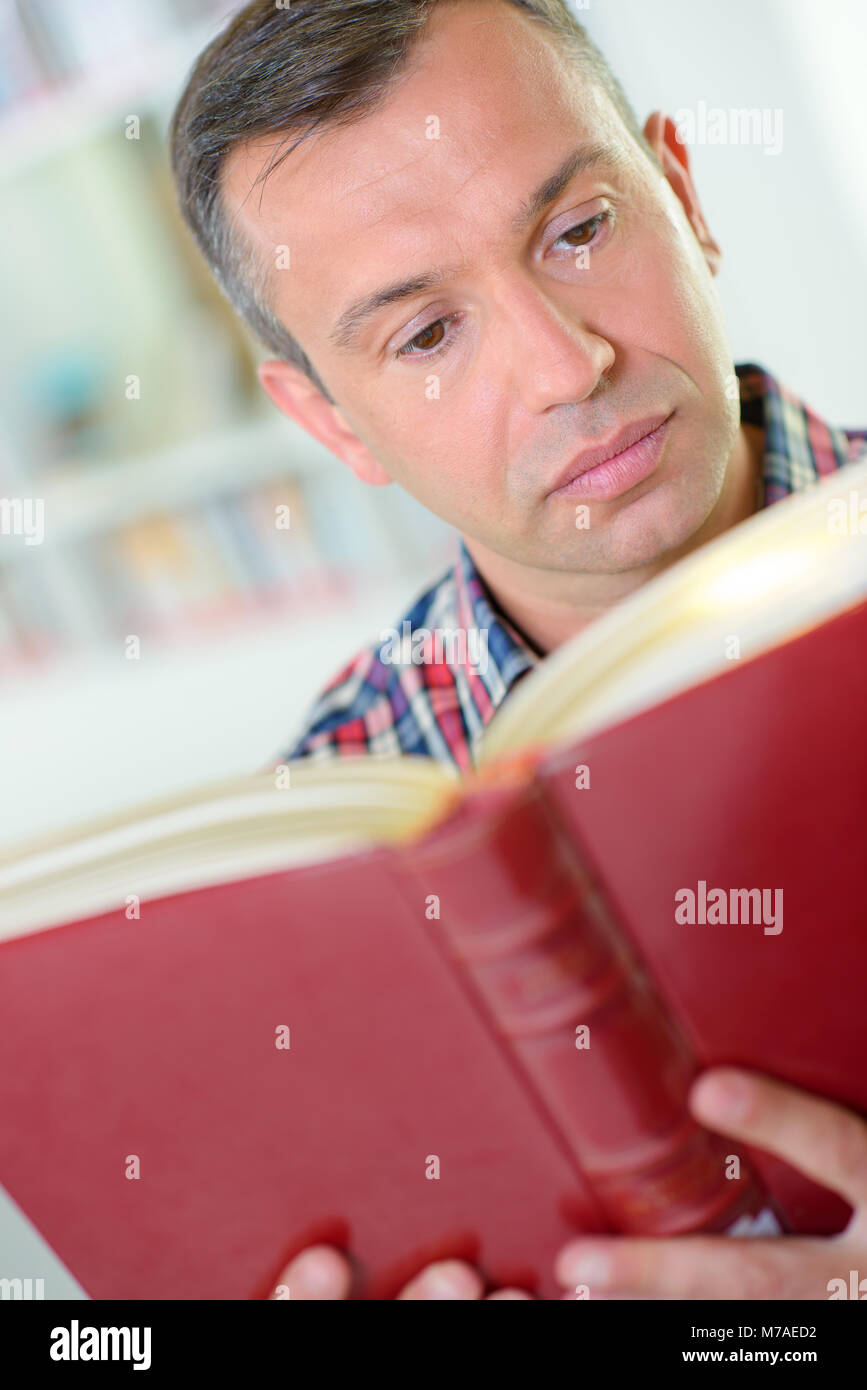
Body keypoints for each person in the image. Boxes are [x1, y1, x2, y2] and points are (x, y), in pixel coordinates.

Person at [170, 0, 867, 1298]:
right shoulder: (324, 840)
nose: (568, 363)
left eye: (579, 230)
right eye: (428, 334)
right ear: (333, 427)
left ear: (684, 194)